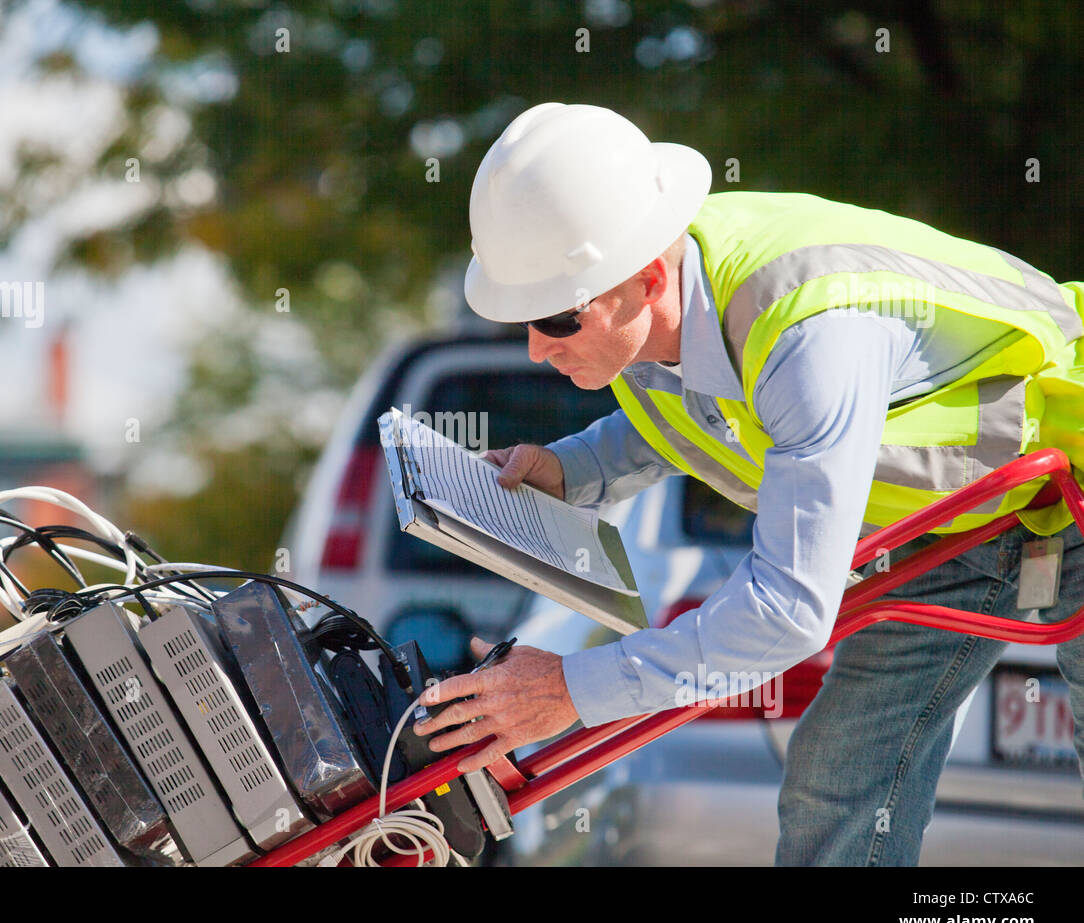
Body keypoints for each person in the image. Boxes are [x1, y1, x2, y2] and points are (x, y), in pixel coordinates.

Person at [411, 101, 1084, 865]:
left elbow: (787, 611)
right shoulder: (670, 298)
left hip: (1070, 484)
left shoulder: (810, 332)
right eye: (522, 321)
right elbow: (708, 409)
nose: (535, 350)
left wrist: (571, 690)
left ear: (647, 280)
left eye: (558, 320)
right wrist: (576, 469)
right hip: (965, 523)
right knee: (834, 790)